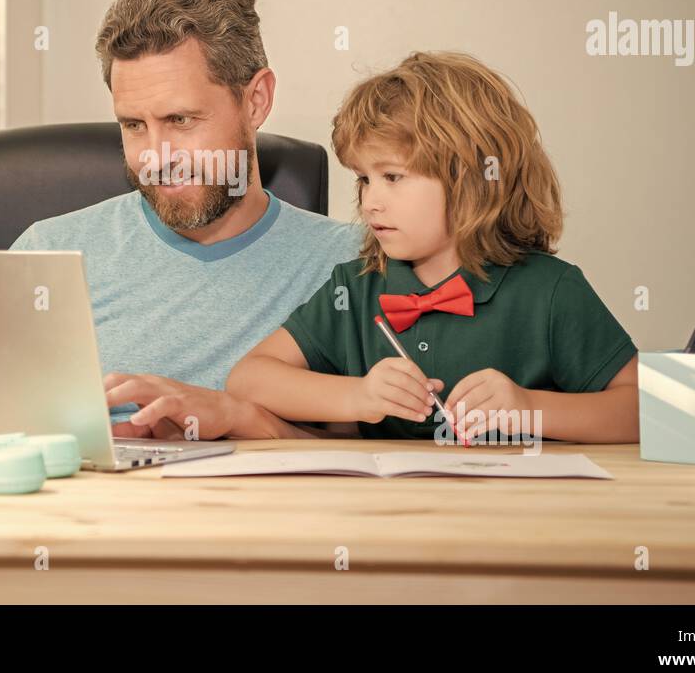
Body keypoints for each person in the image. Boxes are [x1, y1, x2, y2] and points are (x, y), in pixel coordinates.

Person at [10, 0, 362, 440]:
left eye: (181, 119)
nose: (157, 157)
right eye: (134, 125)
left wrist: (245, 420)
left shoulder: (354, 263)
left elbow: (382, 468)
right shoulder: (47, 255)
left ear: (256, 100)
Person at [226, 51, 640, 443]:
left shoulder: (552, 292)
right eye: (364, 179)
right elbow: (249, 379)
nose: (371, 201)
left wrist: (530, 407)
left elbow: (643, 409)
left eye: (393, 176)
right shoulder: (354, 289)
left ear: (472, 180)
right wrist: (359, 396)